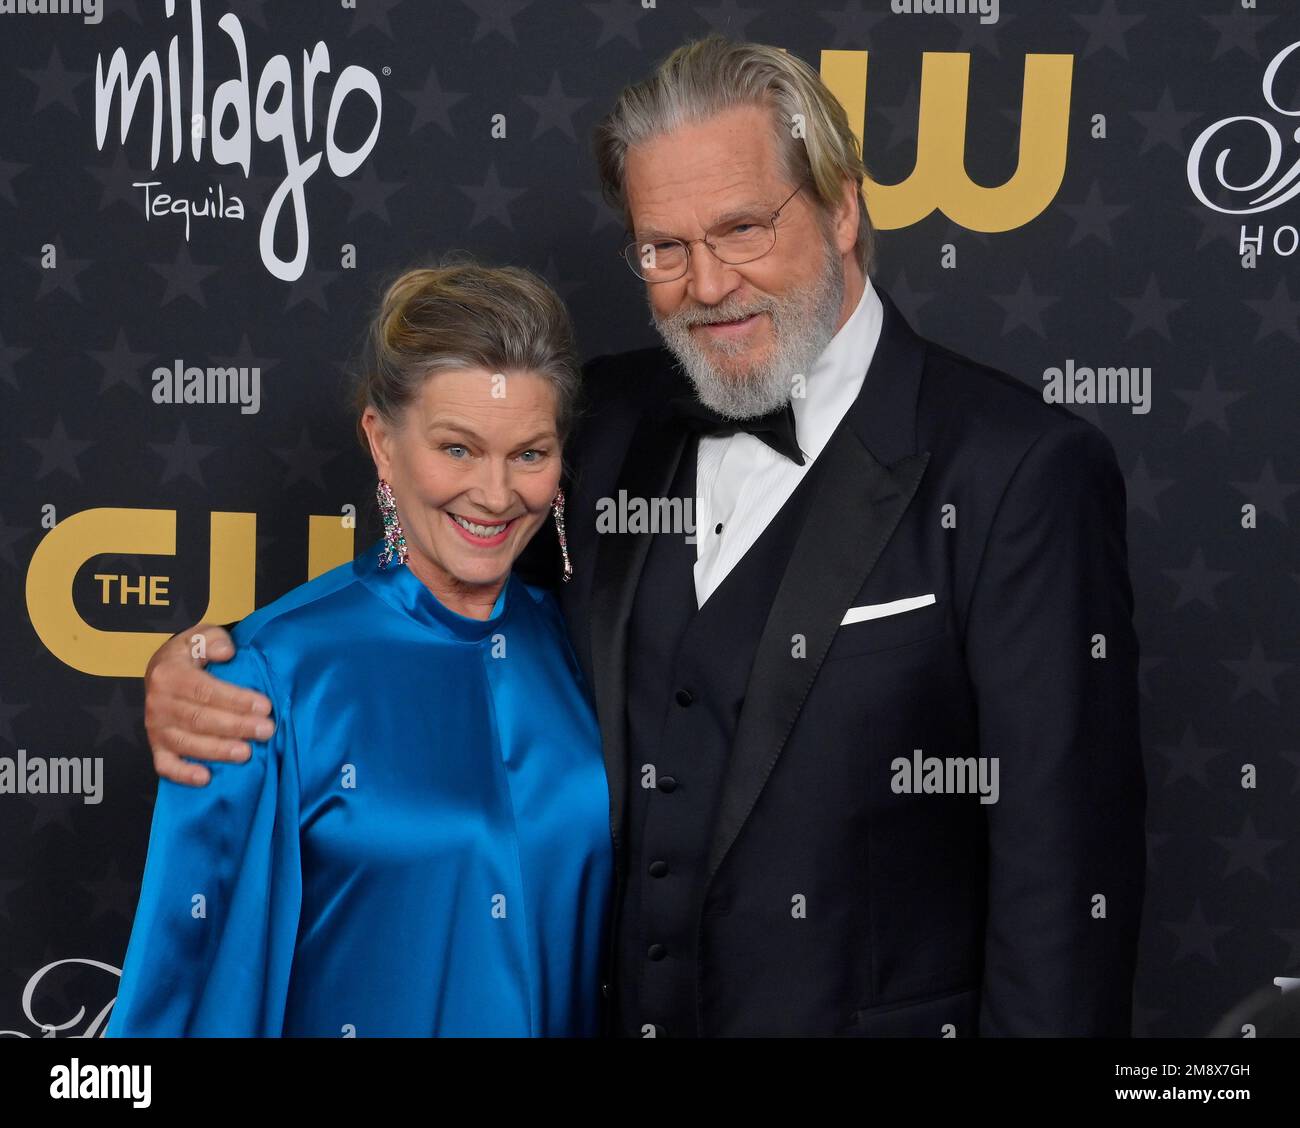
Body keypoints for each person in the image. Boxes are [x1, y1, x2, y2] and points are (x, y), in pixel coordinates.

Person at [138, 35, 1147, 1037]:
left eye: (742, 228)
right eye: (663, 248)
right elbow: (432, 592)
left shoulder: (1018, 471)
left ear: (842, 210)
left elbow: (1064, 886)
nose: (706, 286)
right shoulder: (602, 422)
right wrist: (225, 668)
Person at [107, 262, 612, 1036]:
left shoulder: (584, 640)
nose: (496, 493)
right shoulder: (266, 678)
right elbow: (189, 991)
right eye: (458, 449)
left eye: (530, 454)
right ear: (382, 442)